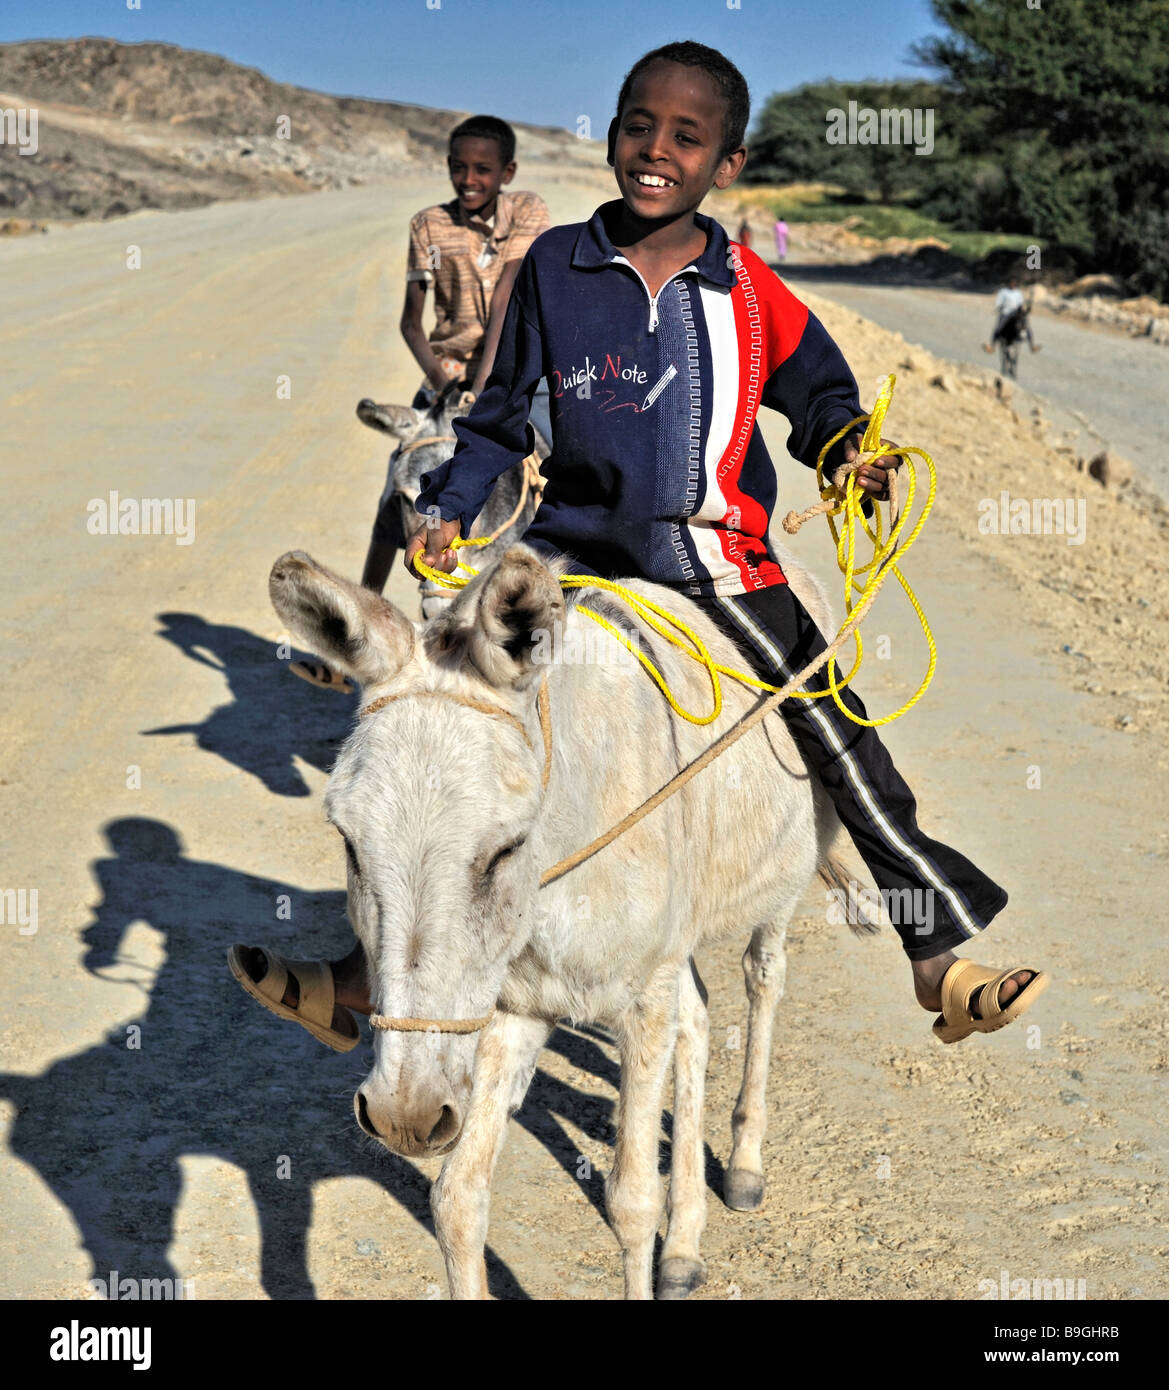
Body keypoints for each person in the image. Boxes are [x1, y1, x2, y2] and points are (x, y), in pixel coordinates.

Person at [236, 41, 1047, 1049]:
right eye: (635, 126)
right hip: (575, 558)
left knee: (837, 730)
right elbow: (493, 415)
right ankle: (364, 973)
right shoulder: (554, 271)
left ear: (727, 165)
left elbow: (821, 394)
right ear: (611, 134)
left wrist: (844, 453)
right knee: (435, 723)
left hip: (723, 564)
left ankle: (933, 954)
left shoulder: (752, 290)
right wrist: (448, 503)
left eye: (685, 136)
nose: (653, 150)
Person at [291, 115, 552, 692]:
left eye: (482, 169)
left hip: (518, 377)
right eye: (458, 167)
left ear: (507, 173)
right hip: (447, 376)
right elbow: (412, 322)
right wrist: (441, 379)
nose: (468, 178)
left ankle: (567, 619)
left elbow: (509, 299)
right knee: (404, 483)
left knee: (558, 469)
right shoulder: (427, 225)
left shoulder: (528, 212)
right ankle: (356, 638)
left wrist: (484, 388)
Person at [983, 274, 1041, 355]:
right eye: (1011, 283)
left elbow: (1020, 303)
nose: (1013, 284)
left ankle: (1032, 346)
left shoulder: (1018, 292)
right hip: (1006, 312)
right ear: (1009, 283)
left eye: (1014, 283)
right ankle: (992, 346)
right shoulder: (1003, 292)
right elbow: (999, 302)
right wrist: (1000, 307)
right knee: (999, 327)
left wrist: (1023, 310)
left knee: (1026, 326)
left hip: (1016, 313)